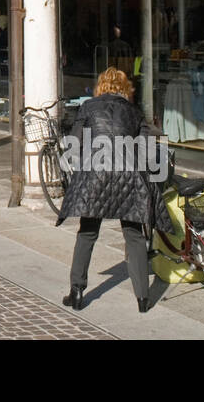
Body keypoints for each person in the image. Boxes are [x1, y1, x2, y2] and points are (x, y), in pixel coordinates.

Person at [57, 67, 168, 314]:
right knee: (135, 235)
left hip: (95, 174)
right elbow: (148, 151)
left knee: (87, 232)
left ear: (101, 86)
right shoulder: (134, 112)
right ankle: (143, 298)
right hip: (129, 177)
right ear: (125, 89)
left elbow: (75, 144)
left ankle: (76, 290)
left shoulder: (88, 107)